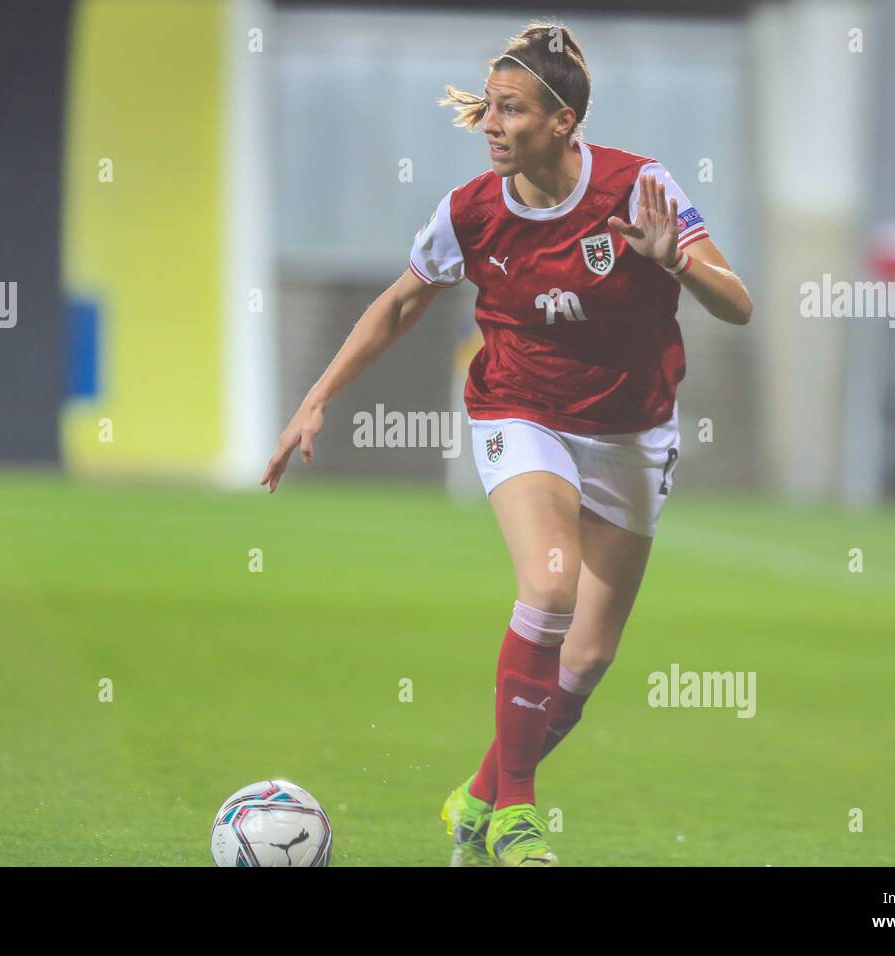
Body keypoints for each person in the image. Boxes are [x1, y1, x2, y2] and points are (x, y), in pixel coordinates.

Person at [260, 20, 752, 866]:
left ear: (564, 123)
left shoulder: (640, 188)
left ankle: (480, 792)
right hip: (518, 411)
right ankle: (519, 814)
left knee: (589, 657)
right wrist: (316, 398)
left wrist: (680, 264)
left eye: (511, 109)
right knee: (549, 587)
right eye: (488, 107)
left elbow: (738, 303)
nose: (490, 124)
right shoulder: (470, 212)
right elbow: (400, 304)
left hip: (632, 428)